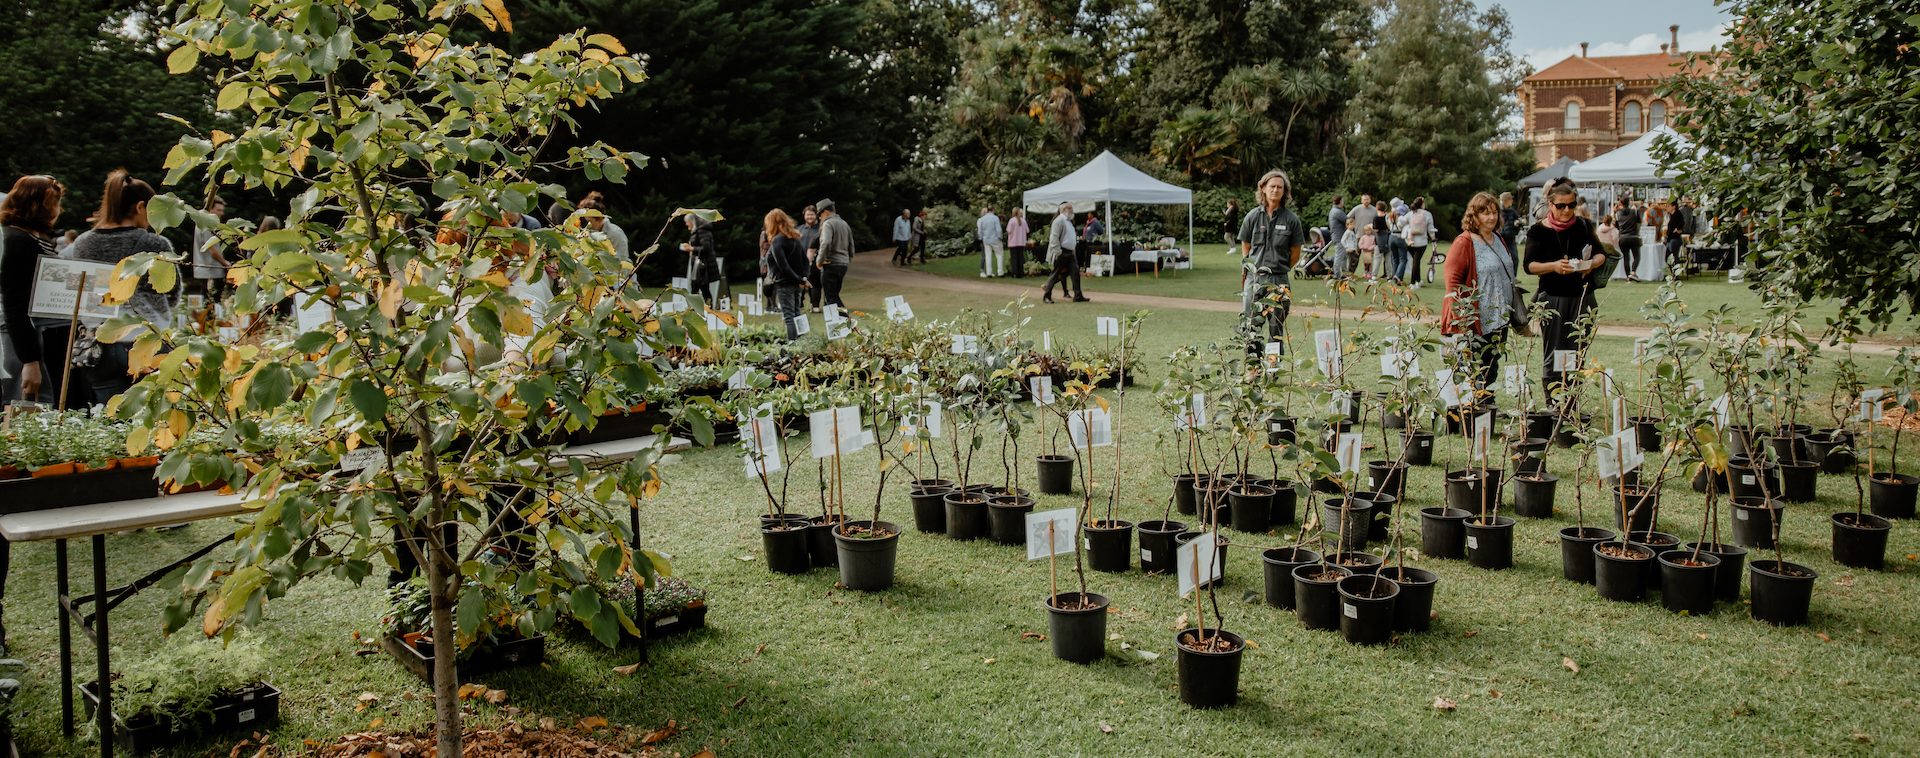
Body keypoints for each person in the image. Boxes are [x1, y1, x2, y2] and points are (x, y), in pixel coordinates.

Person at [65, 170, 174, 403]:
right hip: (146, 342)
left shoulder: (82, 243)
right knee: (151, 419)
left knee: (112, 417)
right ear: (140, 207)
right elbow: (170, 292)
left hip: (98, 344)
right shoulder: (155, 242)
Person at [1525, 177, 1608, 404]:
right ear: (1550, 204)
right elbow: (1529, 266)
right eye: (1561, 206)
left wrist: (1591, 264)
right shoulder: (1538, 231)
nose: (1566, 210)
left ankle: (1571, 400)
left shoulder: (1582, 225)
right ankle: (1553, 400)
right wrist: (1553, 266)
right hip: (1553, 297)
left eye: (1571, 205)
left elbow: (1601, 254)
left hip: (1582, 297)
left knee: (1576, 349)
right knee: (1555, 348)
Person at [0, 175, 66, 406]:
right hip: (15, 339)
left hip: (20, 336)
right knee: (31, 406)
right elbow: (15, 304)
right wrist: (29, 360)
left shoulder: (19, 236)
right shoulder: (17, 241)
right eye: (55, 202)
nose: (58, 209)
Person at [1440, 192, 1515, 393]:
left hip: (1499, 317)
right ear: (1474, 215)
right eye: (1485, 213)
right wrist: (1461, 319)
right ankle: (1471, 408)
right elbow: (1452, 282)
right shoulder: (1464, 242)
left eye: (1494, 212)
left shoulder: (1498, 238)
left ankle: (1486, 405)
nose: (1491, 217)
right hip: (1474, 318)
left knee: (1492, 364)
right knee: (1472, 366)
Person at [1237, 169, 1303, 349]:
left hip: (1279, 280)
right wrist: (1251, 269)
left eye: (1280, 187)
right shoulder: (1252, 216)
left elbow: (1296, 253)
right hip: (1254, 279)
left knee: (1276, 328)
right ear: (1263, 188)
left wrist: (1279, 268)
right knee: (1251, 326)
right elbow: (1246, 246)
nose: (1276, 190)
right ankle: (1253, 368)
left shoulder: (1292, 220)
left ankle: (1273, 368)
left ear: (1285, 191)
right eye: (1272, 186)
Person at [762, 209, 810, 340]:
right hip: (796, 282)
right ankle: (802, 342)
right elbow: (805, 261)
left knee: (789, 316)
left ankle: (793, 346)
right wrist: (803, 278)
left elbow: (783, 266)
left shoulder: (778, 241)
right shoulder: (794, 239)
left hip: (785, 283)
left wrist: (800, 279)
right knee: (796, 313)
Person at [812, 199, 853, 309]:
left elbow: (826, 242)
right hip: (843, 264)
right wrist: (847, 259)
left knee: (831, 298)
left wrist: (819, 261)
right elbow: (851, 246)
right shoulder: (844, 223)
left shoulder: (828, 223)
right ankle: (836, 322)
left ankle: (845, 321)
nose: (819, 218)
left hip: (831, 264)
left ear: (825, 212)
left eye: (819, 214)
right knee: (834, 295)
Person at [1041, 202, 1085, 303]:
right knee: (1055, 274)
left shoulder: (1068, 221)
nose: (1072, 210)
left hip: (1070, 252)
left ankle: (1078, 295)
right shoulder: (1059, 221)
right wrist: (1058, 251)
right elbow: (1054, 237)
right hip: (1062, 251)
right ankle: (1047, 296)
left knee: (1075, 274)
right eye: (1069, 208)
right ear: (1064, 209)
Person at [191, 195, 230, 300]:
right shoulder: (207, 225)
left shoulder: (200, 223)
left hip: (202, 269)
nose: (221, 213)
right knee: (213, 302)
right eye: (218, 210)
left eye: (222, 210)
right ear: (210, 209)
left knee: (206, 302)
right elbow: (213, 251)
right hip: (212, 271)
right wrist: (226, 263)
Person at [679, 214, 719, 302]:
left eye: (687, 222)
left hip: (702, 266)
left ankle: (709, 310)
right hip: (698, 266)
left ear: (692, 221)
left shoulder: (702, 231)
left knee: (703, 288)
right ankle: (697, 310)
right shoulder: (698, 231)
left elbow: (706, 248)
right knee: (696, 288)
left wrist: (691, 248)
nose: (686, 224)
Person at [798, 205, 824, 312]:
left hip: (816, 261)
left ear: (816, 216)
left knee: (815, 284)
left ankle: (815, 306)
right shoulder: (799, 229)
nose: (809, 217)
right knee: (800, 283)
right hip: (800, 261)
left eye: (812, 214)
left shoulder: (821, 229)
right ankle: (798, 305)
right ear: (804, 216)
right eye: (807, 214)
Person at [1404, 197, 1434, 287]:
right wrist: (1433, 238)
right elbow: (1430, 228)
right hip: (1421, 241)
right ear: (1422, 204)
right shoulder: (1427, 214)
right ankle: (1413, 283)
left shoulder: (1410, 214)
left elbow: (1402, 223)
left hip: (1409, 241)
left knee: (1416, 261)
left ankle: (1418, 280)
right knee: (1416, 261)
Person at [1348, 193, 1377, 275]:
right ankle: (1351, 273)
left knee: (1368, 257)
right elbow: (1348, 218)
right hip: (1358, 235)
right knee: (1355, 255)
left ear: (1370, 200)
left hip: (1371, 237)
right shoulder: (1356, 209)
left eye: (1367, 199)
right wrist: (1351, 228)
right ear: (1361, 200)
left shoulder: (1374, 210)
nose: (1366, 201)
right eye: (1364, 199)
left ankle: (1368, 273)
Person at [1665, 196, 1692, 276]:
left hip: (1675, 239)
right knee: (1670, 257)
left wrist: (1678, 229)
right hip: (1671, 239)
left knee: (1673, 256)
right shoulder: (1672, 215)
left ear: (1674, 207)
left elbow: (1682, 223)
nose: (1667, 208)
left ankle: (1675, 274)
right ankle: (1674, 273)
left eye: (1668, 206)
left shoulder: (1677, 214)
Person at [976, 205, 1005, 277]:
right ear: (993, 210)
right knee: (999, 255)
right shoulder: (995, 218)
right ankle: (1000, 272)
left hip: (986, 239)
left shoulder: (982, 219)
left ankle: (989, 272)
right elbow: (998, 229)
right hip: (995, 239)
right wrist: (1000, 237)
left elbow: (980, 230)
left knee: (988, 256)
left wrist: (981, 238)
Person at [1498, 192, 1521, 266]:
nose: (1512, 201)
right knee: (1500, 259)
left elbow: (1518, 224)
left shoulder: (1513, 212)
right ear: (1505, 200)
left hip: (1511, 239)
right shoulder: (1497, 211)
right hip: (1499, 239)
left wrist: (1517, 226)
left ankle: (1513, 276)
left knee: (1514, 258)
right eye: (1510, 199)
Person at [1006, 208, 1029, 278]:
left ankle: (1014, 272)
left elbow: (1008, 230)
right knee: (1020, 258)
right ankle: (1021, 273)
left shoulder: (1012, 221)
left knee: (1014, 258)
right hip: (1021, 242)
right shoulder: (1023, 221)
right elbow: (1027, 230)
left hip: (1013, 242)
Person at [1327, 196, 1347, 266]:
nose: (1343, 202)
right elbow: (1347, 221)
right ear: (1340, 201)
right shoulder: (1337, 212)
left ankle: (1344, 273)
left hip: (1337, 237)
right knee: (1339, 257)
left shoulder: (1334, 210)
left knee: (1343, 257)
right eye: (1342, 201)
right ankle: (1338, 274)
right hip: (1339, 237)